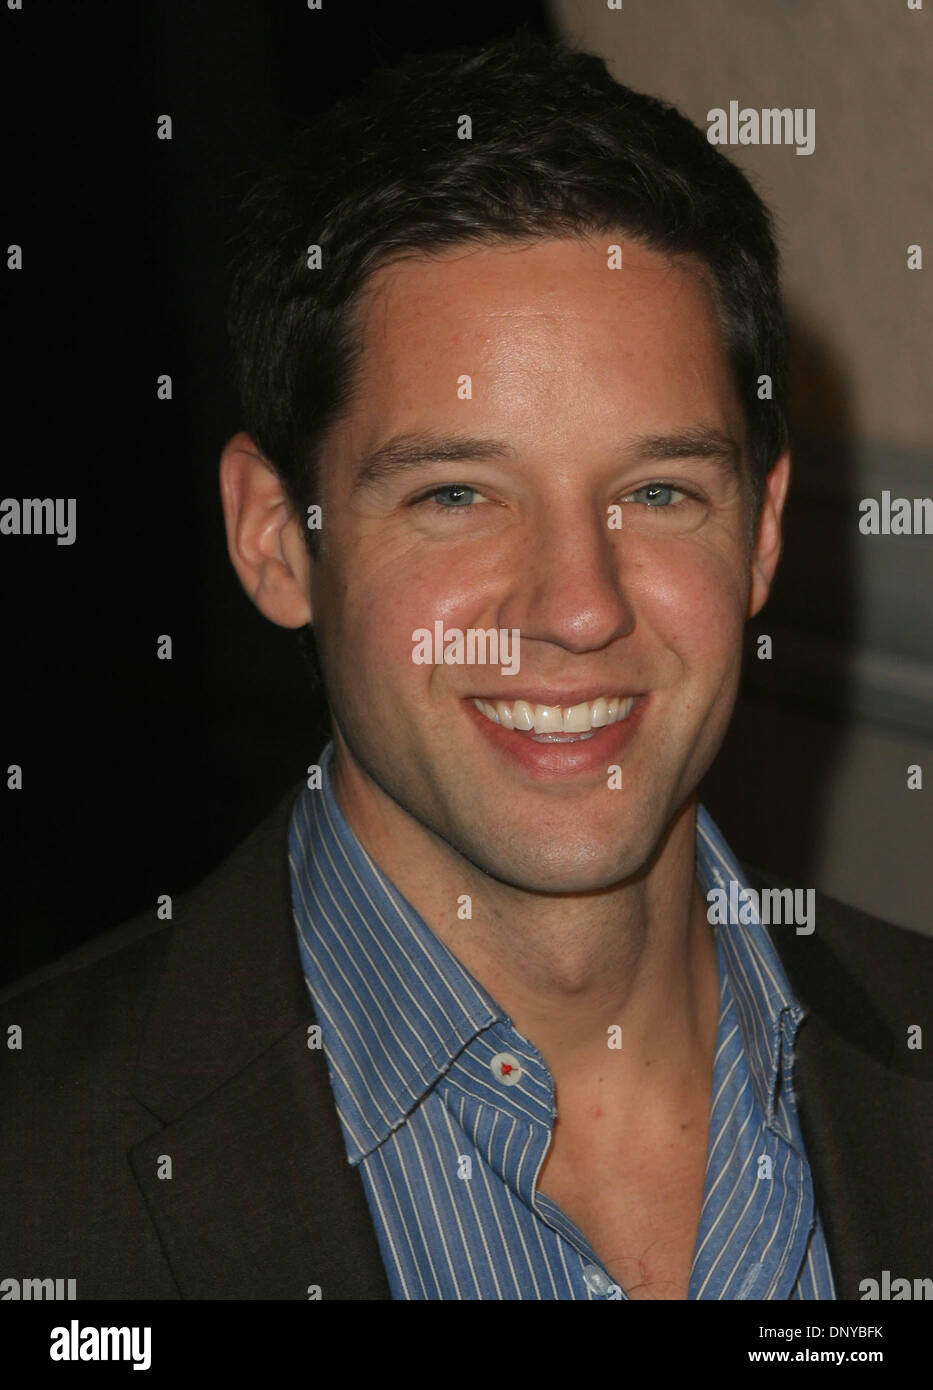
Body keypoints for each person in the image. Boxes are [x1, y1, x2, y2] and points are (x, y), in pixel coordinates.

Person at [2, 31, 930, 1302]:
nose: (577, 608)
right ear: (277, 540)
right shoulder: (34, 1180)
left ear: (763, 534)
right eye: (455, 495)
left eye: (659, 490)